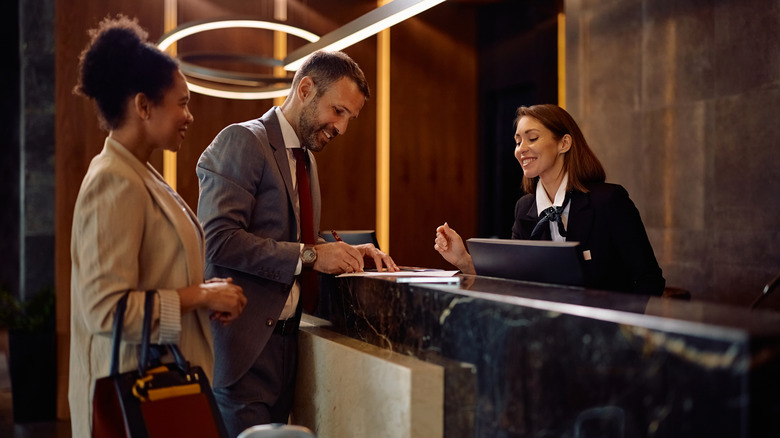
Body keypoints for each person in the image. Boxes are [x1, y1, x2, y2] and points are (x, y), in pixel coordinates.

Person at [196, 50, 400, 435]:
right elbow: (218, 241)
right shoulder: (242, 140)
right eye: (338, 111)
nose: (341, 128)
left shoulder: (306, 158)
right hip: (244, 352)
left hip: (289, 349)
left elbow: (288, 239)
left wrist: (342, 252)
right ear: (305, 89)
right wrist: (311, 255)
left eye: (349, 119)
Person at [69, 16, 247, 437]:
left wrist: (203, 300)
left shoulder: (139, 173)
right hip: (138, 402)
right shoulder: (114, 179)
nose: (189, 115)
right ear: (143, 106)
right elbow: (106, 310)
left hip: (162, 395)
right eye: (181, 102)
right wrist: (199, 295)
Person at [435, 104, 664, 296]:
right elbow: (511, 283)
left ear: (564, 143)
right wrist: (464, 260)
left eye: (532, 138)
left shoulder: (609, 201)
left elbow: (649, 280)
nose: (521, 150)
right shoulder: (524, 208)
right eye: (517, 142)